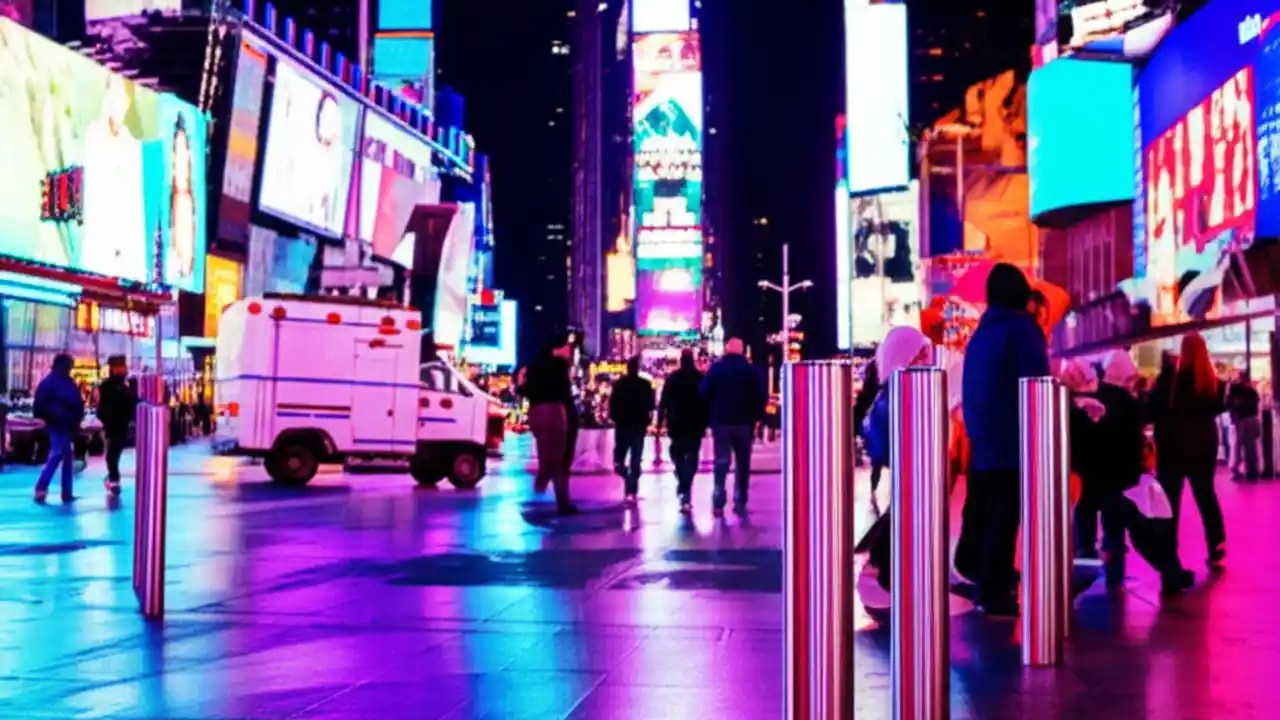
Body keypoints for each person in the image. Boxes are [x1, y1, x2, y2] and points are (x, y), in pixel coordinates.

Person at [955, 263, 1050, 617]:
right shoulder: (1022, 329)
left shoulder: (982, 333)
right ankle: (993, 589)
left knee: (987, 509)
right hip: (1014, 436)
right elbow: (1037, 385)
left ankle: (976, 567)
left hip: (984, 438)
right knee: (1006, 515)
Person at [1060, 357, 1193, 594]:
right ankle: (1117, 576)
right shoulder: (1119, 398)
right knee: (1119, 527)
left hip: (1087, 478)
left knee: (1087, 524)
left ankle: (1083, 572)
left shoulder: (1066, 402)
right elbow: (1135, 433)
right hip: (1117, 477)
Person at [860, 326, 933, 590]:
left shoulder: (893, 386)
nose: (927, 356)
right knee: (903, 515)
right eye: (921, 351)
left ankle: (888, 562)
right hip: (903, 461)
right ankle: (889, 568)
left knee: (902, 513)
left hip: (901, 462)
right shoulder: (900, 389)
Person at [1148, 333, 1227, 567]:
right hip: (1204, 447)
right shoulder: (1214, 384)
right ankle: (1217, 544)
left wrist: (1165, 375)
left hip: (1174, 448)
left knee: (1170, 502)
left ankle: (1169, 555)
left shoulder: (1173, 381)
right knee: (1206, 496)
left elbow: (1154, 409)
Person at [701, 337, 766, 516]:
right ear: (742, 350)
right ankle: (740, 499)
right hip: (743, 423)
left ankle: (718, 499)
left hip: (721, 421)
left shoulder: (716, 369)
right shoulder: (750, 371)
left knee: (721, 461)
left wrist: (710, 415)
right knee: (743, 463)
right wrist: (757, 418)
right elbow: (760, 396)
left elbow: (704, 393)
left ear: (726, 349)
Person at [519, 335, 577, 515]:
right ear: (558, 349)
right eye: (567, 347)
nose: (569, 350)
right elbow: (564, 393)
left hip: (536, 412)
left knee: (546, 453)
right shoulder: (559, 366)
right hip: (554, 412)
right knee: (559, 459)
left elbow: (524, 390)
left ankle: (544, 479)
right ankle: (560, 500)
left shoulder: (533, 366)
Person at [659, 349, 709, 515]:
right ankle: (686, 483)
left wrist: (659, 422)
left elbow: (664, 401)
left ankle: (682, 481)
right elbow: (706, 401)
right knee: (693, 454)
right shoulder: (700, 378)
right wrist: (707, 422)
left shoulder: (673, 379)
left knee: (678, 453)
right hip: (695, 423)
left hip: (677, 422)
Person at [32, 354, 85, 504]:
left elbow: (39, 403)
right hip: (64, 423)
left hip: (55, 422)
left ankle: (46, 489)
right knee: (58, 455)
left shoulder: (49, 382)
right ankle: (50, 489)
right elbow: (76, 402)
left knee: (62, 455)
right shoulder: (68, 383)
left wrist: (43, 417)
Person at [609, 357, 655, 505]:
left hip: (622, 425)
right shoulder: (645, 385)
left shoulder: (619, 384)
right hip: (637, 426)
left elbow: (613, 404)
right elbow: (650, 405)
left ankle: (628, 484)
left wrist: (615, 417)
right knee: (636, 458)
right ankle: (631, 489)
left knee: (619, 458)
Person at [96, 355, 137, 495]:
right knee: (113, 454)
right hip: (118, 425)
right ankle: (113, 479)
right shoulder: (124, 386)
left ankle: (113, 479)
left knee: (112, 454)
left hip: (113, 425)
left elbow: (101, 409)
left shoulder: (110, 386)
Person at [1227, 371, 1261, 479]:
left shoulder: (1234, 388)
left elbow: (1229, 403)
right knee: (1249, 445)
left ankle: (1236, 469)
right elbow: (1256, 401)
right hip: (1250, 418)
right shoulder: (1251, 391)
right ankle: (1251, 469)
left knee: (1236, 446)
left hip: (1239, 419)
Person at [853, 359, 882, 485]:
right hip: (876, 424)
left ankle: (873, 490)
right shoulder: (881, 387)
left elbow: (860, 407)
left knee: (877, 460)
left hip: (867, 424)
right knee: (878, 461)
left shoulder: (866, 387)